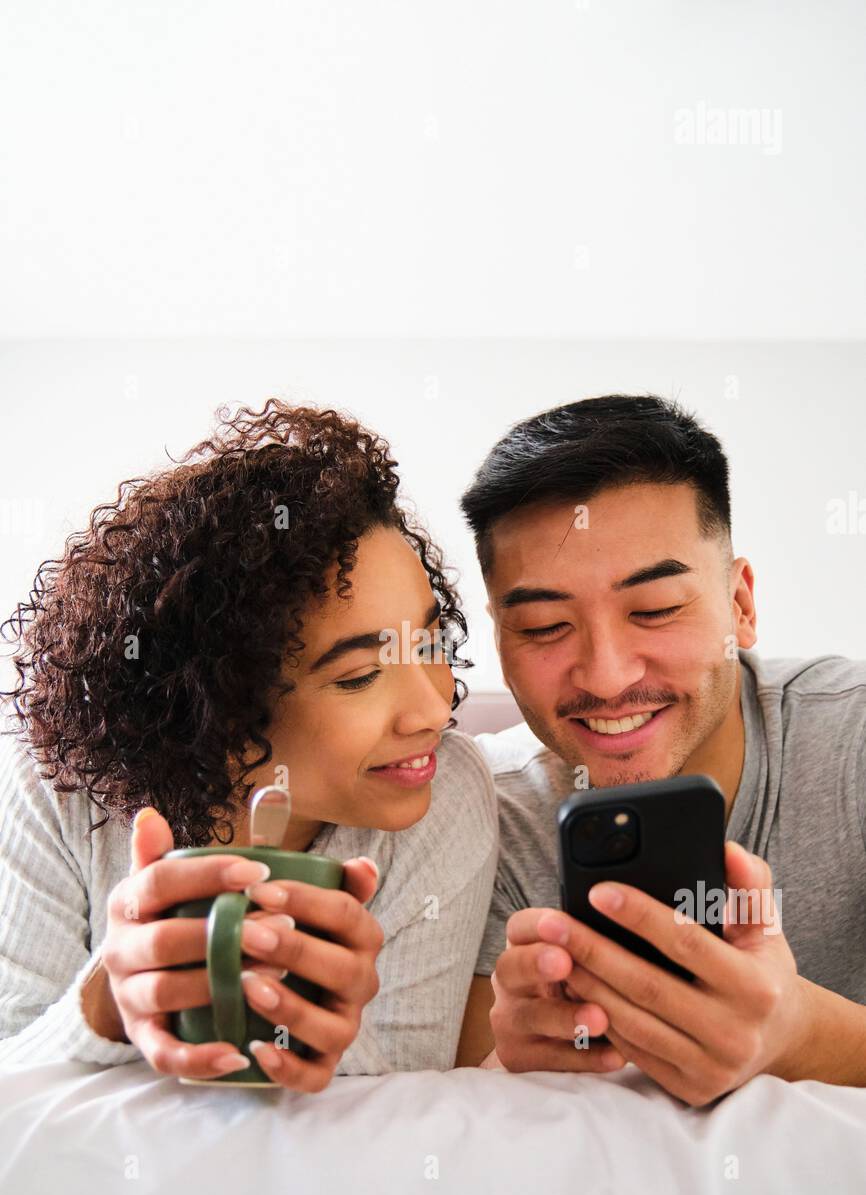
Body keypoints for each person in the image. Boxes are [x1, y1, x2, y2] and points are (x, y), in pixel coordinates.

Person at [0, 400, 498, 1090]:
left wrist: (324, 1037)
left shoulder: (442, 797)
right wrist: (109, 1005)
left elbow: (395, 1117)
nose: (435, 709)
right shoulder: (51, 787)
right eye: (357, 678)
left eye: (430, 643)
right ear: (220, 710)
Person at [462, 394, 866, 1104]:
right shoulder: (477, 816)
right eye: (543, 626)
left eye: (655, 611)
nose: (607, 676)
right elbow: (453, 1121)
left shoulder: (853, 740)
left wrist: (801, 1033)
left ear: (740, 605)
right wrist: (506, 1068)